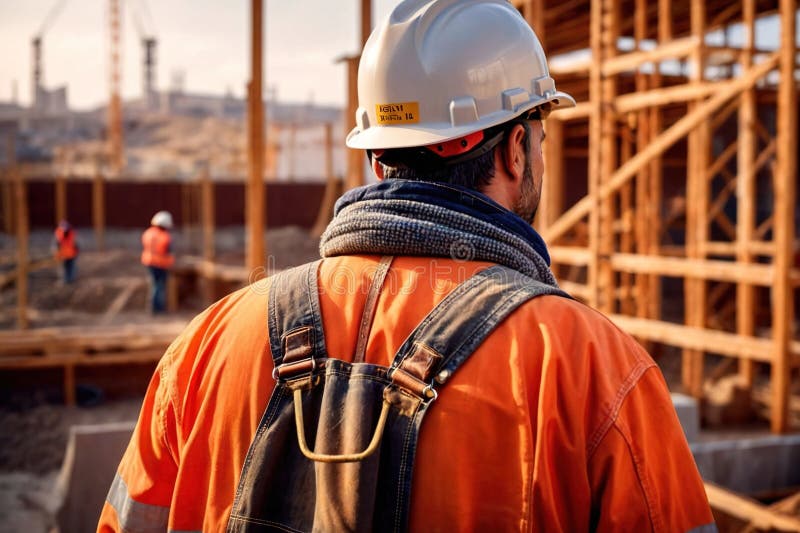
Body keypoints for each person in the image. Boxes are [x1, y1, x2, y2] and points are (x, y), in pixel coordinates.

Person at [99, 1, 715, 531]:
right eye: (540, 137)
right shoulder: (592, 369)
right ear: (517, 151)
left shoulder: (205, 346)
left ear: (377, 160)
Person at [140, 210, 174, 313]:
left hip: (149, 262)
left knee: (154, 284)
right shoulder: (164, 236)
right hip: (160, 264)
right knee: (159, 286)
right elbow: (167, 251)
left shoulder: (148, 233)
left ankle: (152, 306)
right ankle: (158, 308)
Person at [52, 220, 79, 284]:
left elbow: (76, 244)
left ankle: (70, 279)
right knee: (63, 268)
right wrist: (56, 253)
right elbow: (56, 245)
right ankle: (65, 279)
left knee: (70, 267)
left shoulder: (71, 233)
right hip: (64, 255)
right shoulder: (59, 234)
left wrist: (76, 252)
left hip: (70, 254)